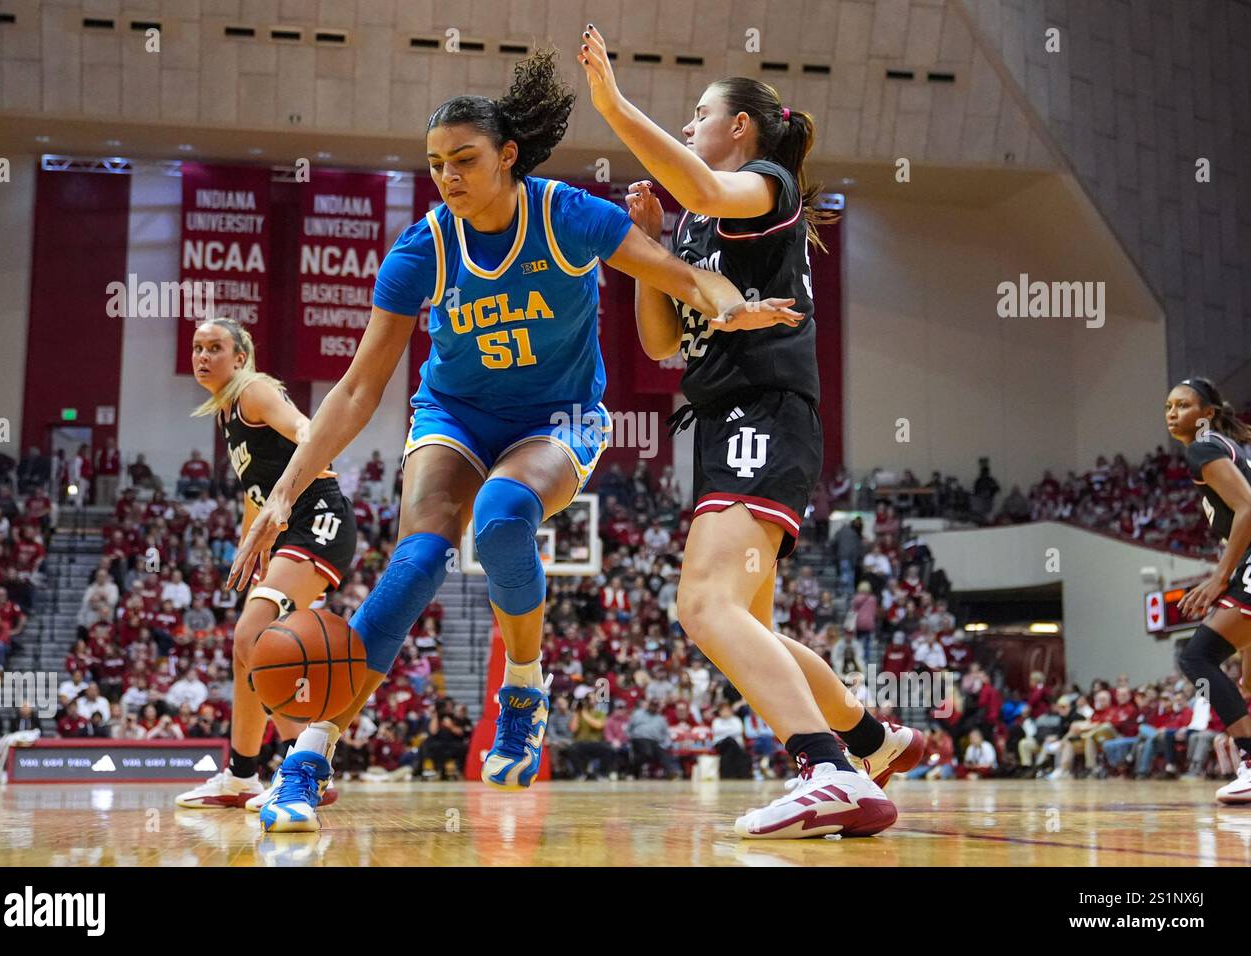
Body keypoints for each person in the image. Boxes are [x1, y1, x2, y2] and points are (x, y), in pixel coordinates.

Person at [227, 46, 798, 832]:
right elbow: (359, 388)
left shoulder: (566, 215)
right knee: (418, 559)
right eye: (435, 165)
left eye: (464, 160)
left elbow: (681, 275)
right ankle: (310, 756)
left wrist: (733, 306)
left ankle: (523, 688)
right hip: (454, 416)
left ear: (507, 157)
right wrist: (284, 494)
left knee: (500, 518)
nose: (448, 177)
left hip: (557, 417)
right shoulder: (421, 250)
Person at [578, 25, 918, 839]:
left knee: (702, 604)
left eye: (700, 113)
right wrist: (654, 252)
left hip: (760, 414)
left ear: (741, 127)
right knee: (745, 624)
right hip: (729, 418)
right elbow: (662, 346)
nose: (691, 124)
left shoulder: (767, 184)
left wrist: (614, 105)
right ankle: (869, 741)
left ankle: (826, 769)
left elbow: (696, 182)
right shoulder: (696, 227)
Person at [172, 317, 356, 816]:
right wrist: (248, 549)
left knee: (251, 637)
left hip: (318, 517)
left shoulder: (253, 390)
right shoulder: (226, 411)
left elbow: (304, 429)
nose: (203, 357)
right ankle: (241, 775)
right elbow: (258, 496)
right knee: (243, 649)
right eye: (197, 348)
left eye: (215, 348)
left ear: (240, 357)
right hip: (286, 530)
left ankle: (306, 766)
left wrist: (309, 450)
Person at [1165, 377, 1251, 803]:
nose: (1171, 412)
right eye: (1168, 405)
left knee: (1197, 657)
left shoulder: (1204, 448)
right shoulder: (1239, 450)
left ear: (1206, 413)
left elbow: (1250, 508)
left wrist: (1222, 575)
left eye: (1183, 405)